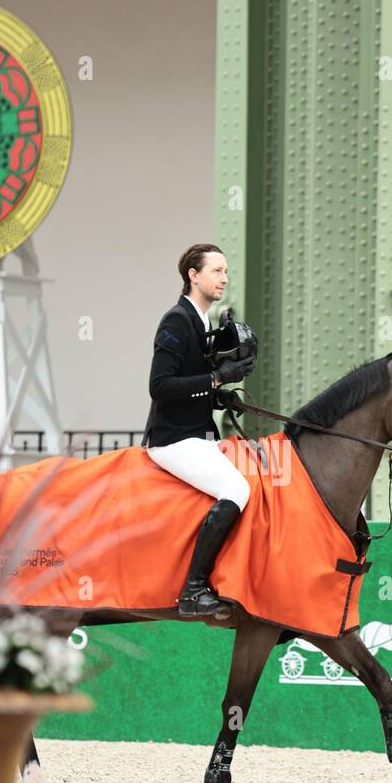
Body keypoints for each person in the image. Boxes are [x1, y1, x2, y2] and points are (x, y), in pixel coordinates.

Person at [142, 243, 257, 616]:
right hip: (172, 439)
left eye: (226, 271)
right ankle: (192, 590)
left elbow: (192, 387)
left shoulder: (204, 322)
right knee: (237, 487)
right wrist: (215, 378)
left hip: (198, 432)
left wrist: (219, 397)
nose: (225, 278)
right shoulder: (177, 320)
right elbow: (159, 387)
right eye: (217, 271)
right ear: (194, 276)